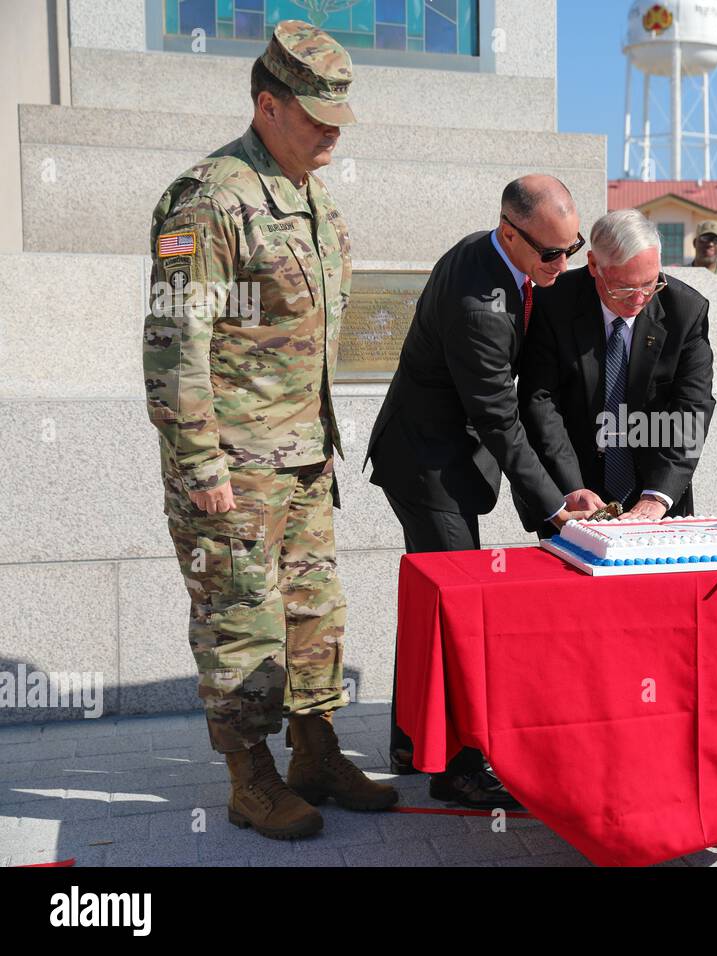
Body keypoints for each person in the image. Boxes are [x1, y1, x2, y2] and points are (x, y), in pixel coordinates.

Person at [144, 20, 396, 841]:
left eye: (337, 116)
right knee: (240, 620)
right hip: (235, 464)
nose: (331, 131)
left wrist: (321, 439)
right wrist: (200, 465)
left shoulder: (312, 196)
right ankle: (248, 779)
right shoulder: (211, 199)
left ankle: (315, 753)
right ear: (268, 105)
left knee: (314, 615)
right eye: (317, 115)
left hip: (302, 456)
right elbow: (176, 342)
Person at [365, 175, 596, 808]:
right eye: (550, 254)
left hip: (441, 455)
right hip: (427, 466)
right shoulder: (478, 304)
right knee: (461, 610)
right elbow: (498, 416)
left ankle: (413, 744)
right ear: (509, 234)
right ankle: (460, 769)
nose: (561, 264)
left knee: (432, 607)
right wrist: (553, 506)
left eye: (570, 249)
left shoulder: (502, 259)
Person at [517, 209, 716, 530]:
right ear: (595, 265)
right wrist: (570, 486)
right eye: (624, 287)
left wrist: (658, 494)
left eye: (650, 284)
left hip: (655, 485)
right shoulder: (553, 303)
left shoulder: (685, 310)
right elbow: (539, 402)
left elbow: (693, 407)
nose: (640, 299)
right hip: (574, 485)